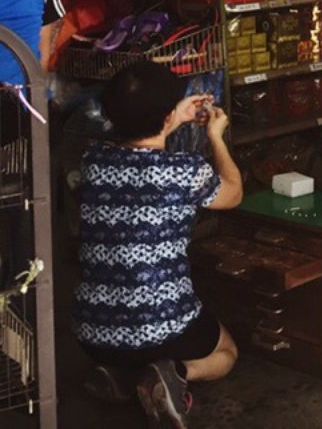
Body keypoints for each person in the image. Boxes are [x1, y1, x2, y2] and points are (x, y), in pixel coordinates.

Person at [73, 60, 243, 428]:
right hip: (164, 331)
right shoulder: (185, 171)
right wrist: (215, 137)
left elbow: (138, 144)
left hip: (93, 333)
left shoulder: (92, 162)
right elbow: (233, 194)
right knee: (227, 352)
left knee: (129, 349)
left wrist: (173, 117)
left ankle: (123, 377)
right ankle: (173, 374)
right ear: (166, 116)